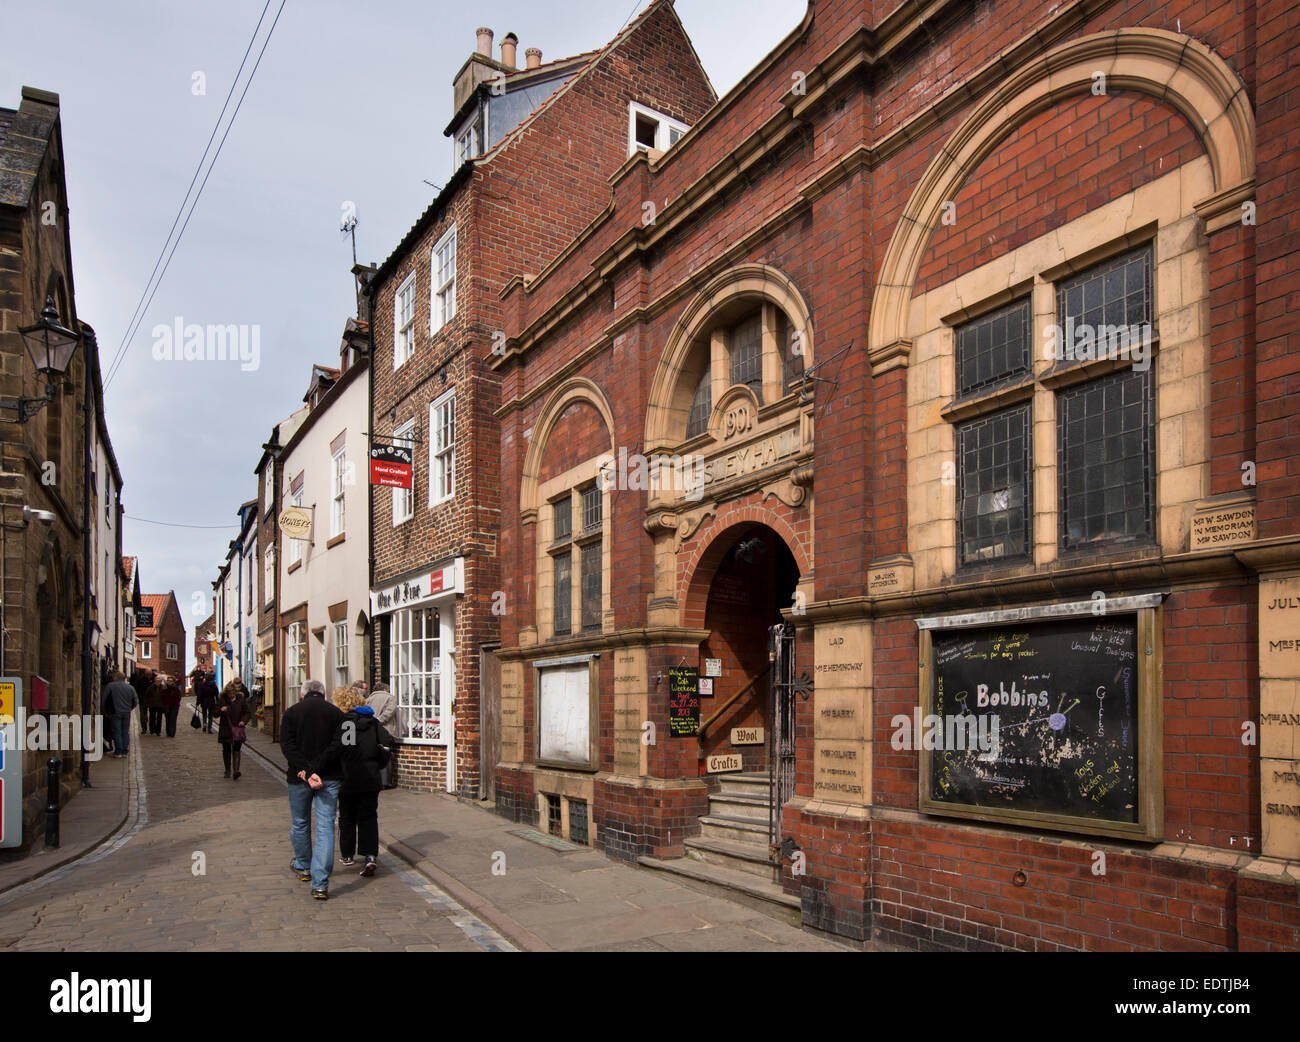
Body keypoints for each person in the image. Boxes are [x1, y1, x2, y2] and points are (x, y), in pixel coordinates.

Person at [310, 688, 395, 877]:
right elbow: (387, 742)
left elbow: (336, 750)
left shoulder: (342, 723)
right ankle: (370, 855)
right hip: (370, 777)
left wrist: (317, 768)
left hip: (347, 776)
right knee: (369, 816)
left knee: (346, 816)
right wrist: (378, 761)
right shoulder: (372, 722)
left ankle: (347, 854)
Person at [279, 678, 344, 900]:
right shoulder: (337, 714)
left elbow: (287, 746)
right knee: (326, 827)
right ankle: (320, 884)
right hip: (329, 776)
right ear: (324, 694)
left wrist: (306, 770)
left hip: (299, 778)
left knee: (300, 822)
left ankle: (304, 866)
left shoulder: (291, 713)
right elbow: (343, 744)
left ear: (302, 694)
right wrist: (318, 769)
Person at [366, 682, 399, 789]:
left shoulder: (368, 699)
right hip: (385, 730)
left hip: (370, 729)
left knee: (373, 754)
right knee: (385, 754)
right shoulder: (390, 698)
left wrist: (372, 722)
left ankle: (373, 779)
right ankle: (385, 782)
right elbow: (389, 712)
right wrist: (378, 721)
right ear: (386, 689)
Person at [216, 677, 252, 779]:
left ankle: (236, 771)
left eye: (233, 693)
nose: (232, 695)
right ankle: (227, 770)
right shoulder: (222, 699)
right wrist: (220, 710)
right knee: (226, 749)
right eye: (230, 693)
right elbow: (214, 713)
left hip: (237, 728)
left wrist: (243, 721)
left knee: (237, 749)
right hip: (226, 728)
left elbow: (247, 712)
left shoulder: (240, 699)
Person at [101, 670, 138, 759]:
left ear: (115, 677)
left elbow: (104, 700)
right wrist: (130, 708)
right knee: (125, 731)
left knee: (117, 731)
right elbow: (135, 701)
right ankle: (124, 751)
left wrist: (105, 711)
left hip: (115, 712)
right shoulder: (130, 688)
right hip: (126, 712)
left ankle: (118, 751)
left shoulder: (110, 686)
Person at [144, 670, 164, 736]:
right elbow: (147, 696)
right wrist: (147, 703)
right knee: (152, 717)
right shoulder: (150, 688)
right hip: (152, 705)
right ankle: (152, 729)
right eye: (157, 680)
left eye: (159, 681)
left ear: (161, 681)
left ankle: (158, 731)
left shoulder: (163, 688)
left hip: (160, 705)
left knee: (159, 718)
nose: (158, 682)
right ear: (155, 681)